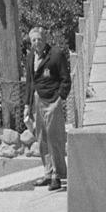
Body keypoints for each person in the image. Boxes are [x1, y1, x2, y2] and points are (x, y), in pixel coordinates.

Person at [29, 24, 71, 191]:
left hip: (53, 100)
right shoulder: (31, 56)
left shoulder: (56, 54)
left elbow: (65, 79)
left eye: (39, 39)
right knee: (42, 138)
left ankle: (57, 175)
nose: (37, 43)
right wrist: (27, 104)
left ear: (45, 39)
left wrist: (60, 98)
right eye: (33, 40)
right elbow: (30, 82)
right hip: (38, 99)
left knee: (54, 138)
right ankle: (48, 172)